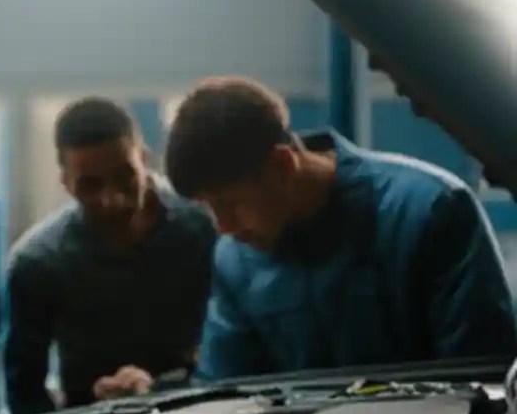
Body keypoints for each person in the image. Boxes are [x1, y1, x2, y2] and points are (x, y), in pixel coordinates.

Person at [163, 75, 517, 379]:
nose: (223, 227)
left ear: (283, 165)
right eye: (209, 209)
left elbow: (482, 377)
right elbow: (223, 392)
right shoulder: (236, 259)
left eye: (229, 203)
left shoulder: (429, 212)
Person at [5, 98, 216, 414]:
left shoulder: (203, 225)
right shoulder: (39, 263)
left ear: (144, 160)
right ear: (65, 183)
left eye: (125, 177)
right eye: (90, 185)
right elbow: (25, 394)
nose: (112, 199)